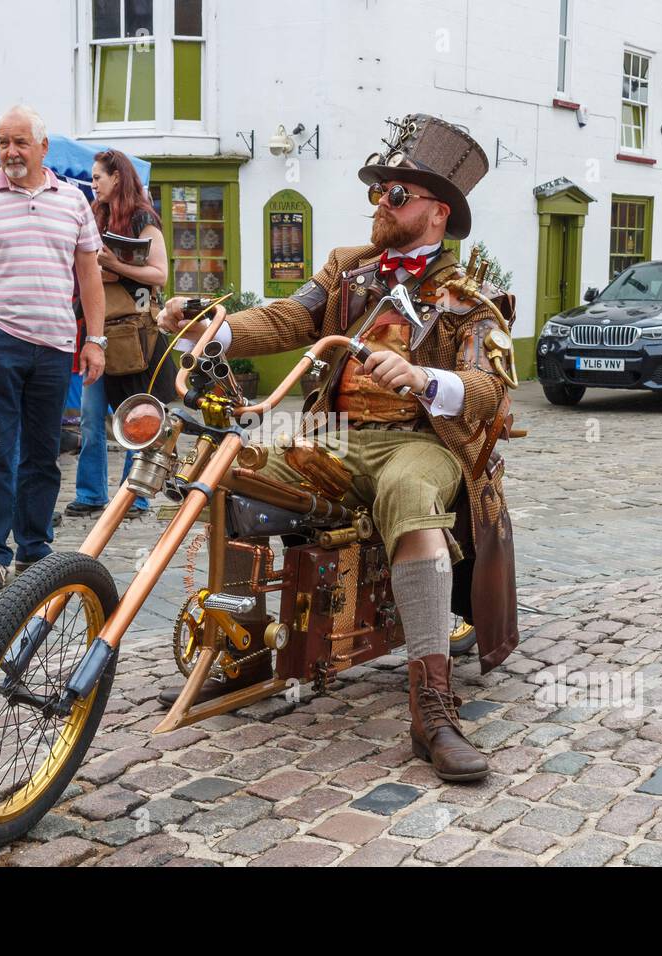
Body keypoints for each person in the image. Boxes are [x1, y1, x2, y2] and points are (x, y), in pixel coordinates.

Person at [155, 114, 522, 782]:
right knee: (235, 461)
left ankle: (433, 711)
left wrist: (422, 377)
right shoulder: (346, 273)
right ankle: (236, 651)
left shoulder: (469, 296)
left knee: (411, 495)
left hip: (422, 441)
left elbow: (488, 386)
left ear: (437, 214)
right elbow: (287, 318)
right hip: (338, 436)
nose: (380, 204)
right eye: (379, 192)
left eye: (397, 195)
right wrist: (214, 329)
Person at [0, 106, 106, 592]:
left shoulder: (73, 200)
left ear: (43, 147)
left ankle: (34, 546)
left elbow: (89, 275)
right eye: (3, 142)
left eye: (20, 142)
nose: (11, 152)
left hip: (55, 348)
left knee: (43, 453)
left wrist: (94, 340)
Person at [67, 149, 170, 519]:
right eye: (93, 178)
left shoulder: (143, 216)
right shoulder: (94, 216)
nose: (93, 184)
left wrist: (114, 264)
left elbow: (160, 275)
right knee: (91, 417)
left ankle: (134, 497)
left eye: (98, 177)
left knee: (136, 417)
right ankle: (91, 493)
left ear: (117, 178)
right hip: (100, 329)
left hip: (134, 331)